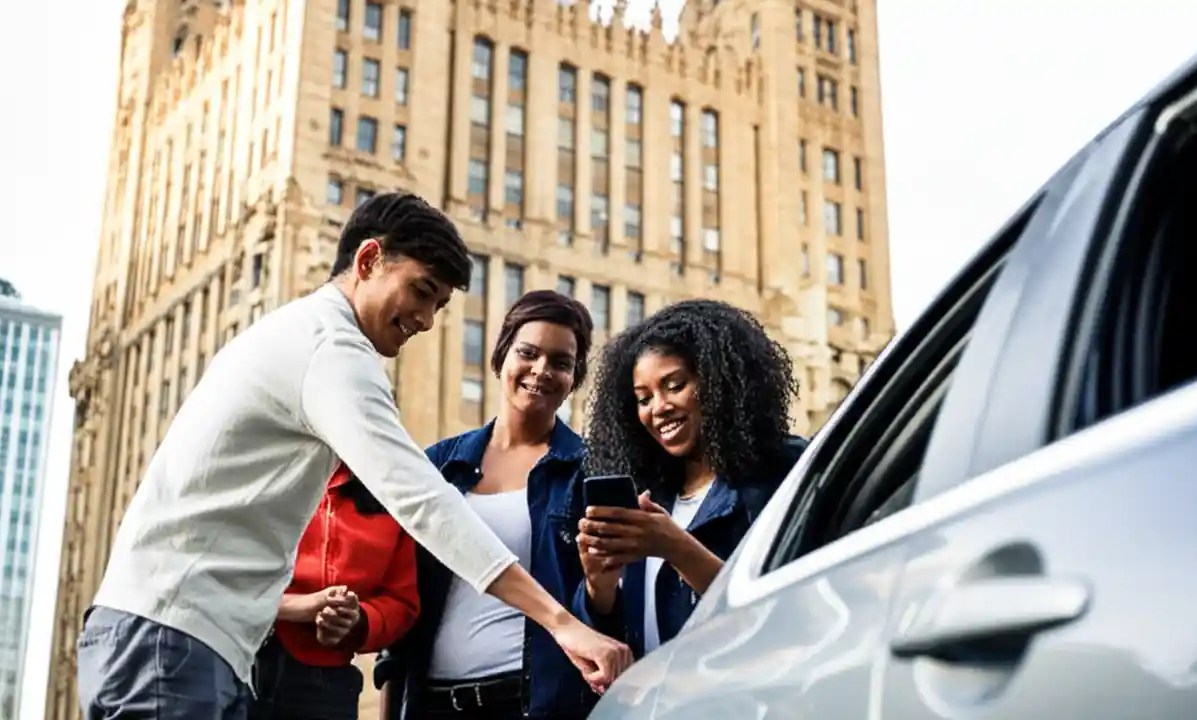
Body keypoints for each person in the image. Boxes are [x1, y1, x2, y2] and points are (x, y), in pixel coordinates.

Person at [76, 192, 630, 718]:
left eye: (438, 304)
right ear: (369, 259)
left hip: (177, 638)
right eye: (421, 290)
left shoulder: (296, 333)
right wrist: (562, 623)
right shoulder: (334, 349)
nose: (426, 319)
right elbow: (421, 500)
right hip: (171, 640)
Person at [377, 290, 601, 720]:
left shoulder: (587, 471)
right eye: (529, 353)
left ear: (575, 377)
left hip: (529, 703)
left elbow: (602, 605)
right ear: (502, 355)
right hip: (432, 703)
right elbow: (403, 596)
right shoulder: (439, 465)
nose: (541, 371)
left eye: (560, 362)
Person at [573, 299, 807, 657]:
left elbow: (783, 616)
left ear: (718, 382)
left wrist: (677, 548)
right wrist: (599, 590)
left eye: (675, 385)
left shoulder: (781, 473)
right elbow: (616, 640)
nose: (658, 408)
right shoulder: (649, 492)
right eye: (643, 398)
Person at [249, 463, 420, 719]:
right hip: (237, 661)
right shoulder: (259, 467)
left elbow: (401, 601)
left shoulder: (391, 489)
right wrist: (295, 607)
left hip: (324, 683)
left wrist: (356, 620)